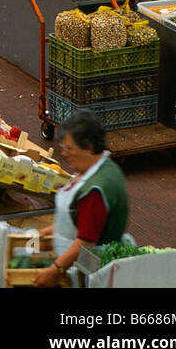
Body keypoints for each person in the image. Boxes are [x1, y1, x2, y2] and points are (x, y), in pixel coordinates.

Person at [34, 111, 130, 287]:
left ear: (90, 148)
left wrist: (55, 270)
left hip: (89, 270)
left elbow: (86, 241)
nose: (64, 153)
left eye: (70, 148)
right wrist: (51, 230)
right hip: (79, 263)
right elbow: (81, 217)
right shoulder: (102, 167)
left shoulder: (96, 190)